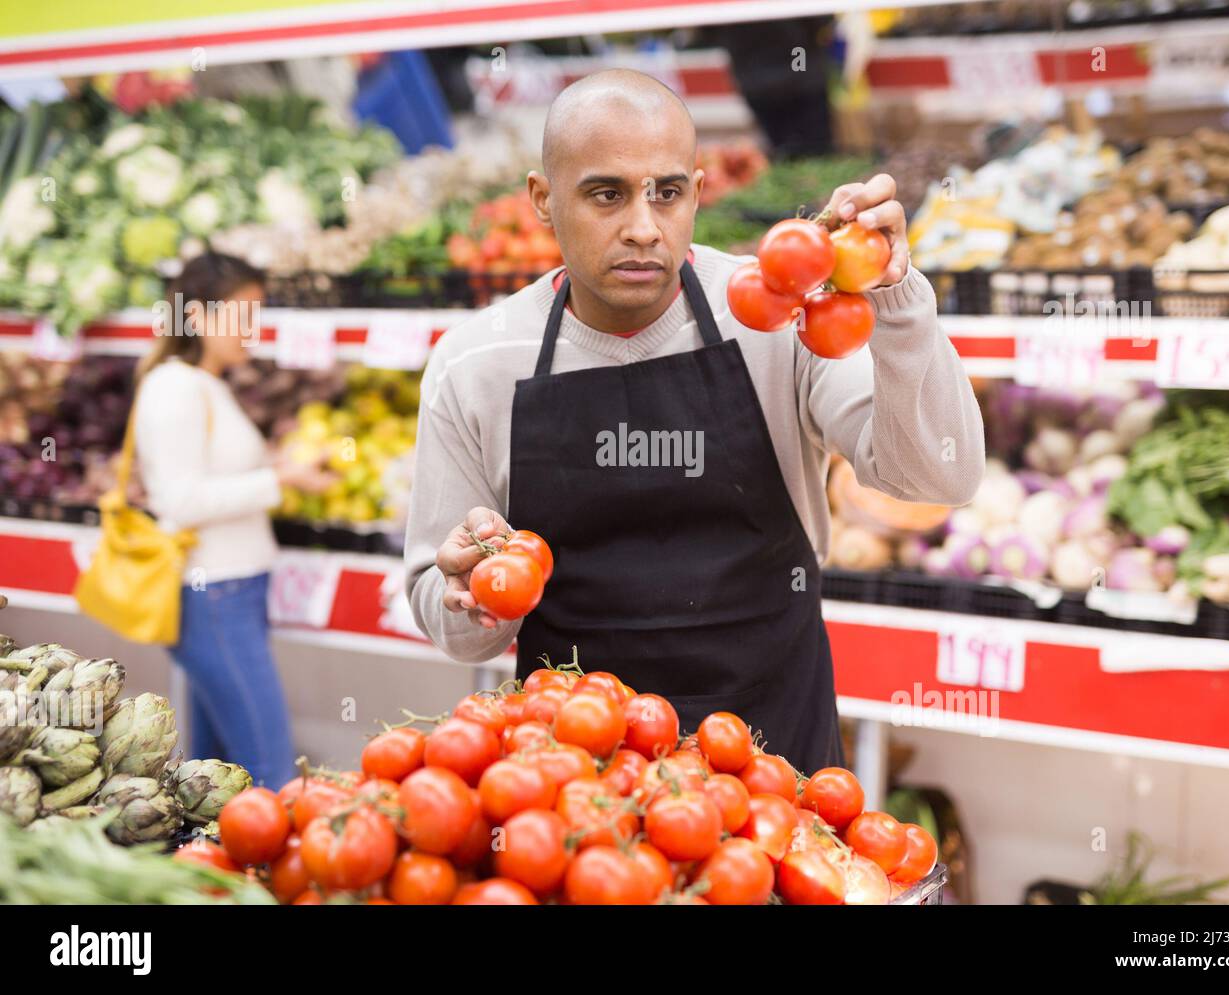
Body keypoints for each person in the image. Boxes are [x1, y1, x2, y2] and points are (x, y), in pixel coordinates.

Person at [405, 70, 985, 775]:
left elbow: (940, 474)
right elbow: (452, 625)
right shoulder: (476, 365)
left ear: (698, 193)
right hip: (578, 788)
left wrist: (896, 300)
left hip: (777, 777)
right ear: (542, 201)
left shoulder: (775, 316)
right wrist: (470, 596)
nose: (644, 227)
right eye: (606, 193)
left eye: (668, 192)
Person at [133, 253, 329, 787]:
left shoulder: (208, 383)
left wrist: (278, 466)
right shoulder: (174, 387)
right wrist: (282, 480)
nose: (253, 330)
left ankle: (204, 868)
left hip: (230, 594)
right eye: (241, 314)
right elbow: (180, 502)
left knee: (210, 777)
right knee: (268, 770)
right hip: (211, 597)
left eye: (258, 313)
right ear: (196, 317)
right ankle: (263, 869)